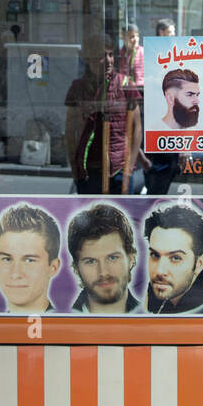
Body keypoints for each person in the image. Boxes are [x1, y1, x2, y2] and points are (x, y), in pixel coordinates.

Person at [64, 34, 142, 194]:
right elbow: (70, 132)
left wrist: (129, 167)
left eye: (111, 55)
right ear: (88, 59)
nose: (108, 60)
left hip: (119, 170)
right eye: (101, 56)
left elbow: (137, 130)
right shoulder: (78, 88)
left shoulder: (126, 84)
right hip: (89, 170)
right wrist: (74, 167)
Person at [144, 202, 203, 314]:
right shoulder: (156, 290)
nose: (160, 271)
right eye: (155, 255)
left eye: (175, 258)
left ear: (199, 263)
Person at [67, 203, 140, 314]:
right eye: (91, 261)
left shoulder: (153, 318)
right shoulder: (59, 322)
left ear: (131, 259)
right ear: (76, 268)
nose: (103, 272)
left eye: (112, 258)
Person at [0, 202, 62, 314]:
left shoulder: (67, 329)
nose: (15, 274)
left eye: (29, 260)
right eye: (7, 259)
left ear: (53, 267)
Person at [117, 22, 144, 86]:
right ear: (123, 37)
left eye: (137, 36)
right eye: (132, 36)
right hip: (126, 90)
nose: (136, 39)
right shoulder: (119, 54)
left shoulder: (143, 52)